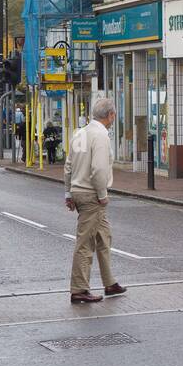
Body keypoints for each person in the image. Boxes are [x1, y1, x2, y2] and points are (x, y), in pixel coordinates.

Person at [63, 97, 127, 303]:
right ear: (110, 115)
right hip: (92, 195)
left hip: (78, 190)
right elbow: (99, 169)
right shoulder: (101, 135)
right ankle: (79, 289)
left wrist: (68, 192)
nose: (114, 117)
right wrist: (102, 195)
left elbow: (68, 166)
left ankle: (110, 282)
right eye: (113, 114)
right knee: (85, 243)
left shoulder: (80, 133)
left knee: (104, 236)